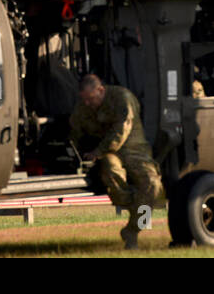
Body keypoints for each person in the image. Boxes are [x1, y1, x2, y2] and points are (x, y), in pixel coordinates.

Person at [69, 74, 163, 249]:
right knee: (111, 172)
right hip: (108, 152)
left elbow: (121, 131)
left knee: (152, 184)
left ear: (101, 90)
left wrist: (97, 151)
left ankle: (134, 228)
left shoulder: (122, 98)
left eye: (91, 99)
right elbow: (75, 130)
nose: (88, 104)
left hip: (133, 148)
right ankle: (135, 207)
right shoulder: (83, 107)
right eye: (85, 100)